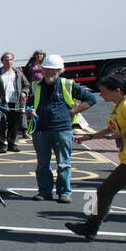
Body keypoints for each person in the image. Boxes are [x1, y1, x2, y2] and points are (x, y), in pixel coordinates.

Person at [67, 75, 126, 239]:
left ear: (117, 91)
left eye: (103, 91)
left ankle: (91, 227)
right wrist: (90, 137)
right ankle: (91, 227)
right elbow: (111, 128)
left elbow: (122, 130)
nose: (101, 95)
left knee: (104, 191)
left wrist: (125, 134)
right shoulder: (118, 106)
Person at [26, 53, 98, 203]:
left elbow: (91, 99)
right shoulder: (36, 85)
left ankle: (64, 193)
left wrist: (74, 111)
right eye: (47, 69)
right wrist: (29, 110)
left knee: (63, 163)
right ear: (42, 69)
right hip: (41, 130)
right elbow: (30, 104)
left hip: (62, 129)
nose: (50, 72)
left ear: (60, 71)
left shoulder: (68, 84)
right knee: (42, 164)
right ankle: (45, 192)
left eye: (54, 70)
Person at [0, 51, 30, 153]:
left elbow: (26, 85)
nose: (9, 62)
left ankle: (12, 144)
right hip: (2, 103)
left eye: (11, 60)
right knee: (1, 125)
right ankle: (1, 145)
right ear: (2, 61)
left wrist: (24, 93)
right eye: (7, 60)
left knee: (14, 125)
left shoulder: (18, 73)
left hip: (15, 103)